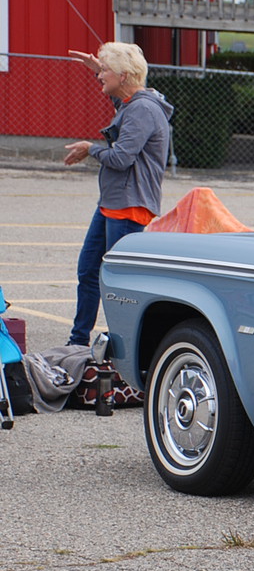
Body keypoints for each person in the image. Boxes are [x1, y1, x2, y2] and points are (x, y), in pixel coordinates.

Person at [63, 43, 174, 347]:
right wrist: (95, 68)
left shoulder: (141, 109)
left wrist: (90, 149)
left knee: (118, 283)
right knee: (88, 271)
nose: (101, 75)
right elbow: (115, 96)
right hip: (112, 205)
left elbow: (122, 158)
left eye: (106, 70)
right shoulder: (131, 102)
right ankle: (77, 343)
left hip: (129, 207)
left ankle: (123, 348)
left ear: (124, 75)